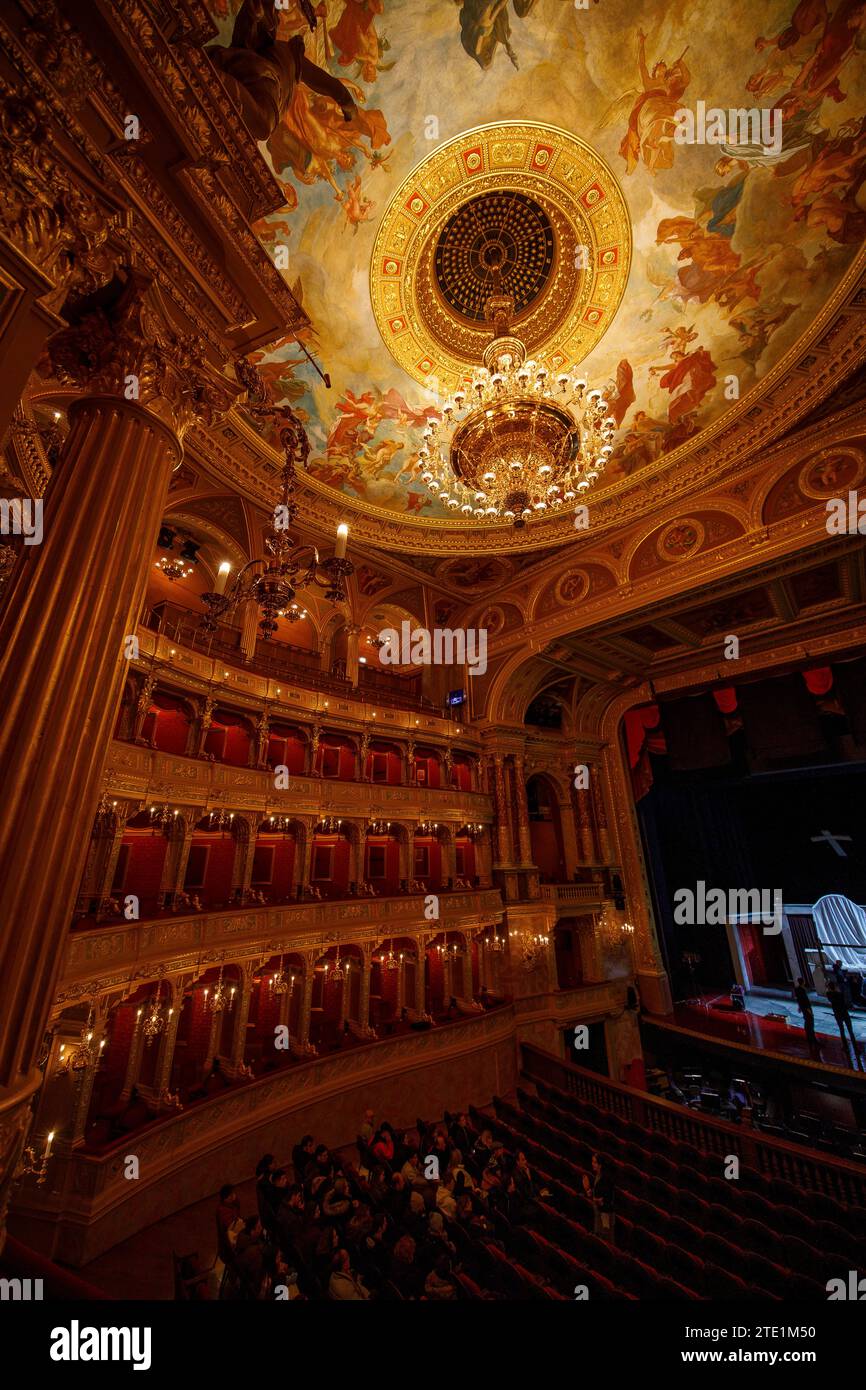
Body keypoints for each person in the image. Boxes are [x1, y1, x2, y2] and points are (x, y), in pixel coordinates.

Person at [827, 980, 860, 1063]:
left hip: (838, 1014)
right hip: (844, 1013)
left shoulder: (829, 995)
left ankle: (845, 1047)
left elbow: (830, 997)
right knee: (850, 1031)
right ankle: (855, 1048)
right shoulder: (839, 994)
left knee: (842, 1030)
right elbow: (844, 1002)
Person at [584, 1153, 615, 1242]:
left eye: (595, 1162)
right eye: (592, 1161)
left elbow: (602, 1202)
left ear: (600, 1165)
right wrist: (588, 1191)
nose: (592, 1164)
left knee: (606, 1241)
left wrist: (591, 1197)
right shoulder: (598, 1176)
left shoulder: (605, 1180)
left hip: (605, 1216)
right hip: (599, 1214)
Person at [794, 977, 821, 1058]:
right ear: (803, 982)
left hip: (803, 1008)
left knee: (807, 1022)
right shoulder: (802, 990)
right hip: (806, 1008)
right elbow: (805, 1001)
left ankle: (810, 1039)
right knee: (810, 1023)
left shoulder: (798, 989)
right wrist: (809, 1011)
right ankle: (813, 1040)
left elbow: (799, 999)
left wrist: (799, 1007)